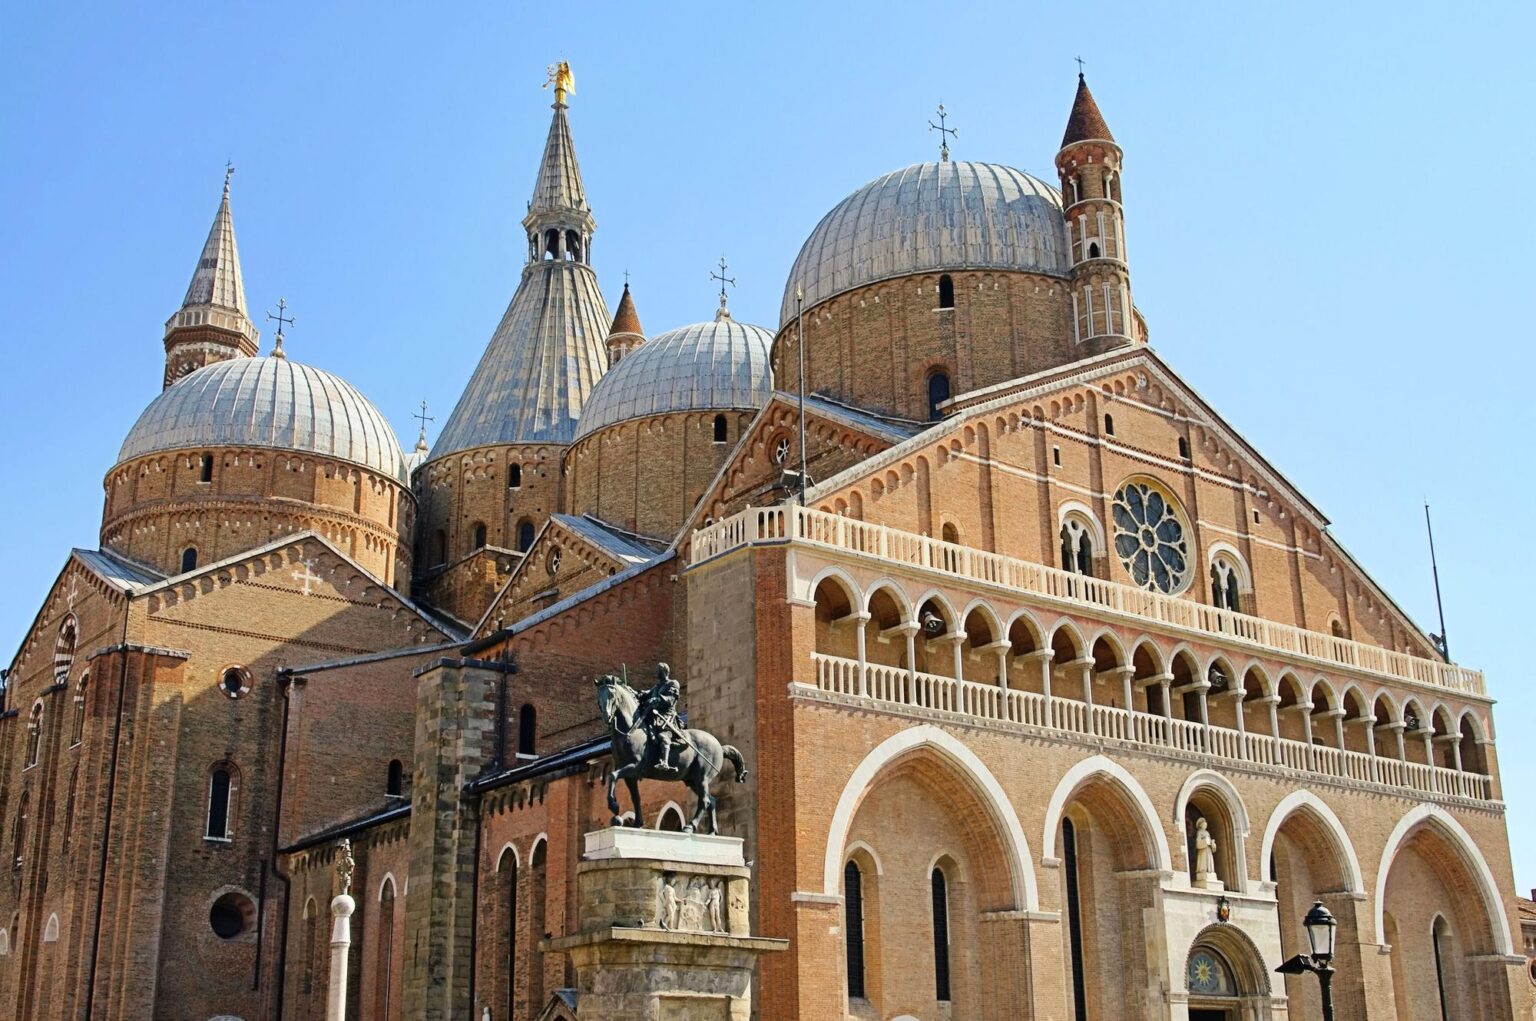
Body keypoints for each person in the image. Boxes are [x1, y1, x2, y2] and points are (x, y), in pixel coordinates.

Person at [638, 663, 682, 771]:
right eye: (656, 670)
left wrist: (656, 699)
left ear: (665, 671)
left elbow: (670, 700)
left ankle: (665, 762)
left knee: (663, 735)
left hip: (667, 715)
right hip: (654, 714)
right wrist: (637, 693)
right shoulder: (657, 686)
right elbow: (646, 694)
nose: (656, 672)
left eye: (658, 670)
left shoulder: (673, 683)